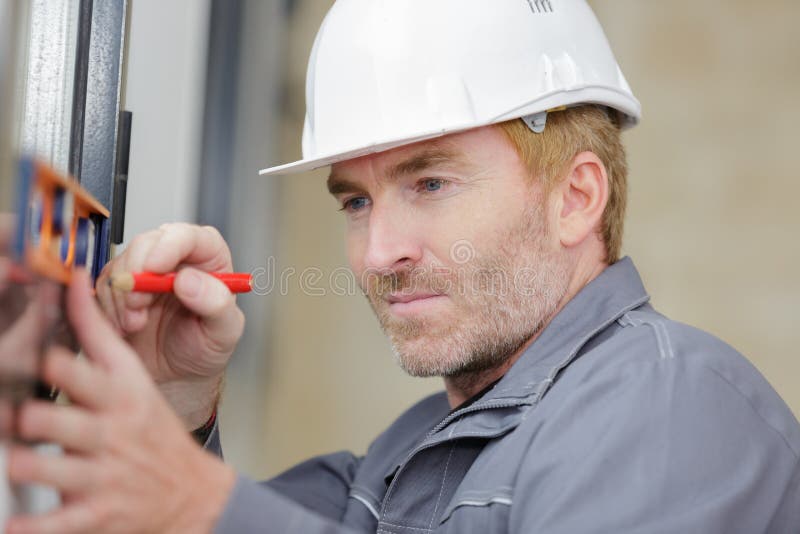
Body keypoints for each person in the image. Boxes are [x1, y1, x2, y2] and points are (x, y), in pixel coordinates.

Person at [5, 1, 800, 532]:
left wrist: (206, 507)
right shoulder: (399, 464)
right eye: (355, 201)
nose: (380, 252)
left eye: (430, 184)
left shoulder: (671, 410)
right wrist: (179, 404)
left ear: (575, 197)